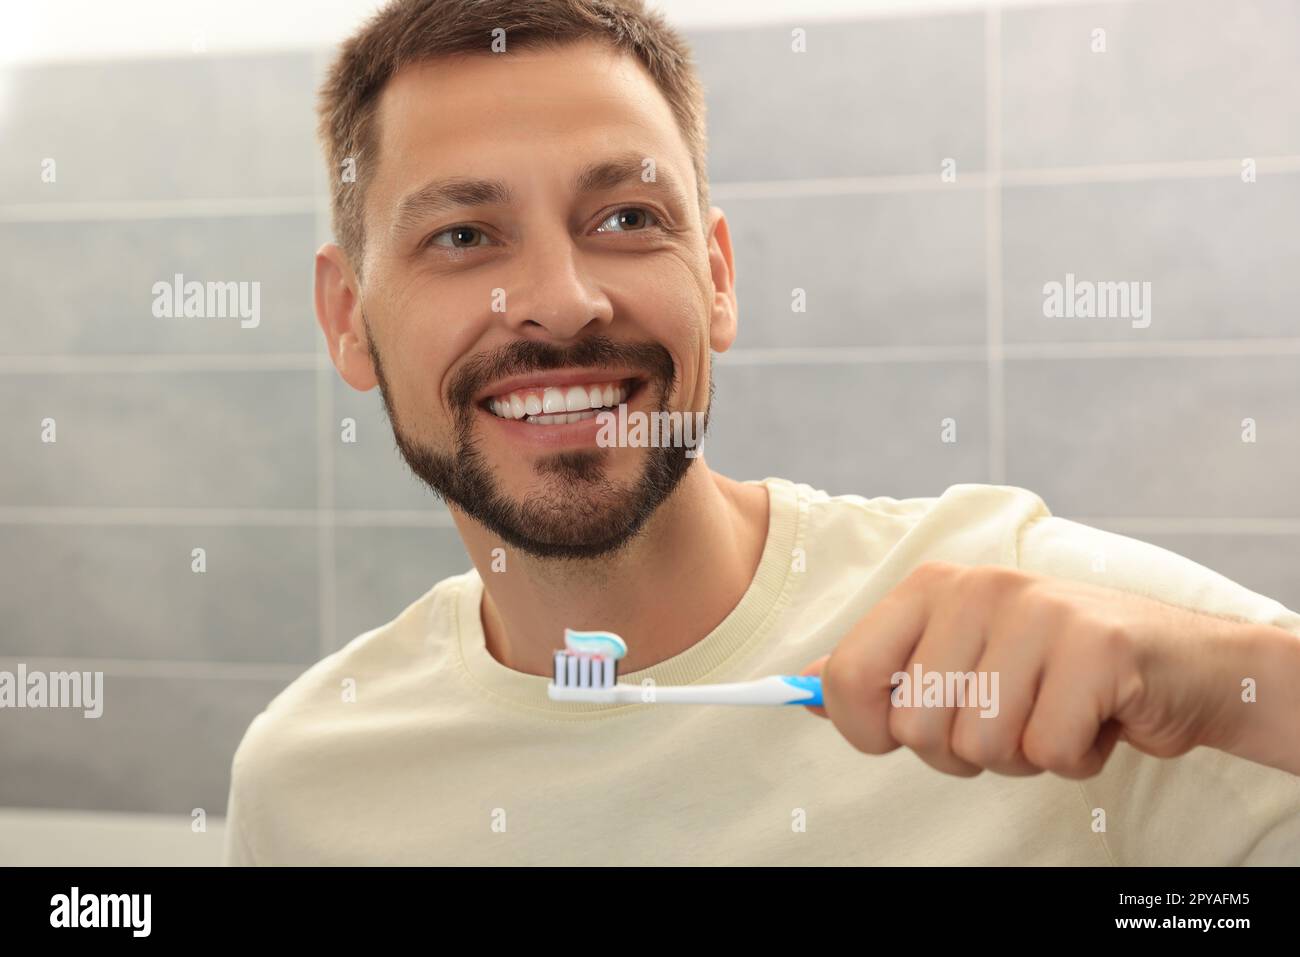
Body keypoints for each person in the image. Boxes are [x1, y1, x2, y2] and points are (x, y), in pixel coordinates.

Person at [223, 0, 1300, 865]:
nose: (559, 300)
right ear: (346, 321)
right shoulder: (309, 783)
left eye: (627, 220)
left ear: (719, 276)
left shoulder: (1046, 631)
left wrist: (1222, 681)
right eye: (463, 236)